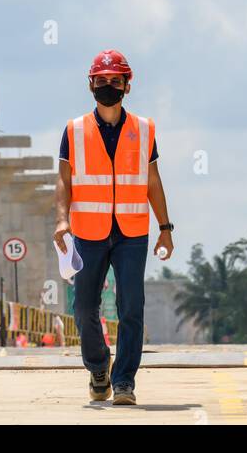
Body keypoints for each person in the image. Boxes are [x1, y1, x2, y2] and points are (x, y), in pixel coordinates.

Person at [53, 49, 174, 405]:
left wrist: (165, 227)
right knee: (84, 308)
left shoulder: (143, 129)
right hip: (88, 231)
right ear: (91, 84)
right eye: (102, 80)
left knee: (131, 305)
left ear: (127, 85)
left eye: (115, 80)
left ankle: (124, 382)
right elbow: (64, 181)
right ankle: (98, 368)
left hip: (132, 232)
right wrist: (62, 219)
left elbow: (152, 181)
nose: (109, 86)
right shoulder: (73, 130)